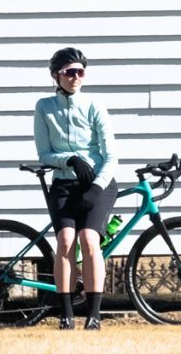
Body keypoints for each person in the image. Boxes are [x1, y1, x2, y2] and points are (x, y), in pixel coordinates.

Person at [32, 46, 117, 329]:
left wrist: (96, 187)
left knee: (89, 241)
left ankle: (94, 316)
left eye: (80, 72)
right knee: (66, 242)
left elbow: (111, 155)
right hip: (64, 184)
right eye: (70, 72)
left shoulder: (94, 106)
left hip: (96, 183)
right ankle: (66, 315)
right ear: (56, 75)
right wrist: (68, 159)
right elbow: (43, 155)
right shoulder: (44, 107)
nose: (75, 77)